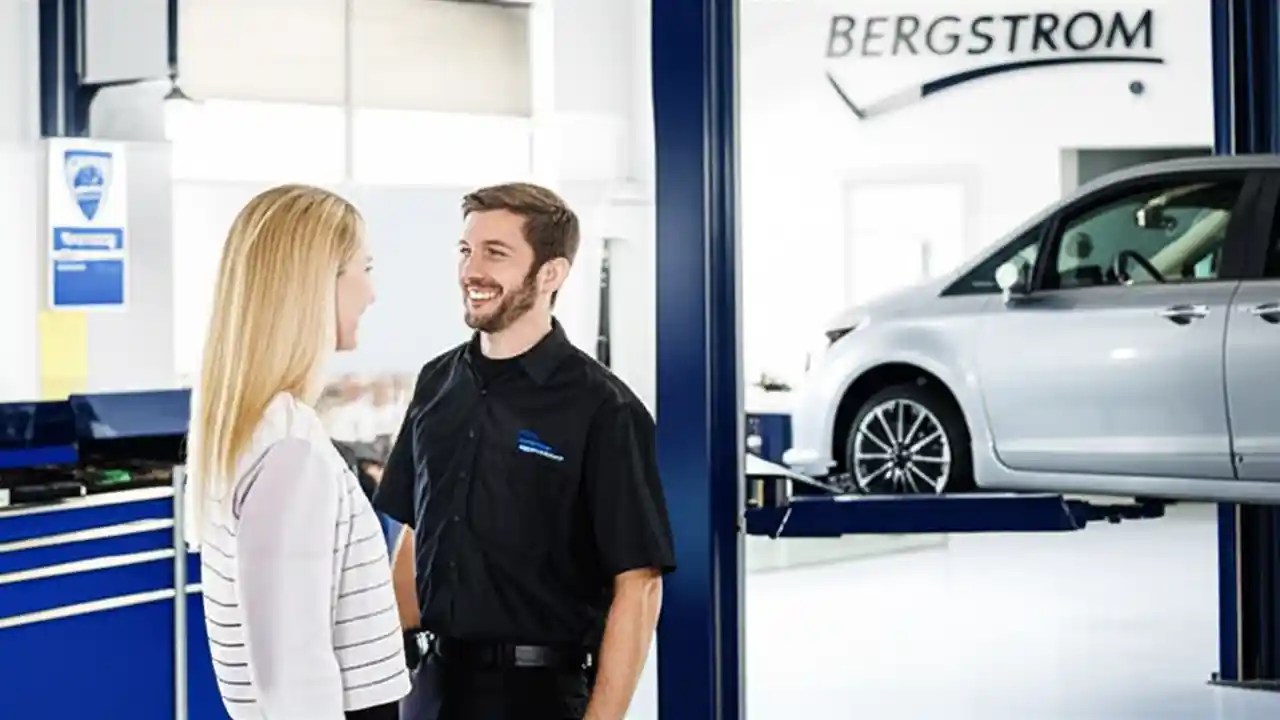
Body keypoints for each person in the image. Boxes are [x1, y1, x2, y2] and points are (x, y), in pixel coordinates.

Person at [373, 182, 677, 720]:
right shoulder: (437, 383)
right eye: (466, 250)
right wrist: (383, 677)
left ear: (550, 274)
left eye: (496, 253)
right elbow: (416, 536)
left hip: (540, 695)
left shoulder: (604, 409)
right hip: (431, 687)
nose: (471, 271)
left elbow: (639, 585)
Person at [187, 184, 411, 719]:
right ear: (316, 282)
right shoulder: (290, 451)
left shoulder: (261, 431)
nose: (372, 293)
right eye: (364, 268)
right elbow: (291, 673)